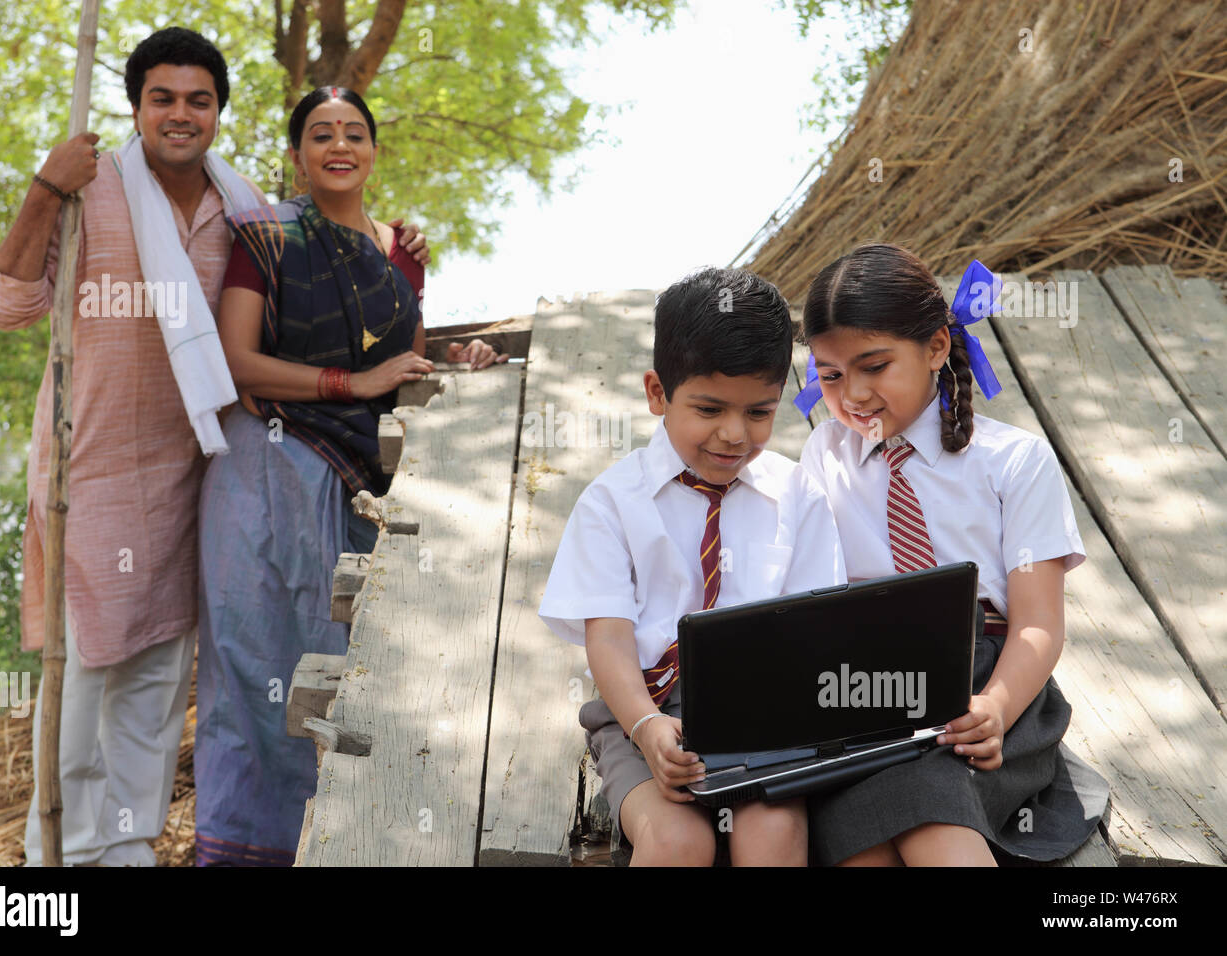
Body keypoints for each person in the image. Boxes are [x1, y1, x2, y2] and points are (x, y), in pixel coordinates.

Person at [0, 28, 429, 866]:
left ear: (218, 112)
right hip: (94, 464)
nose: (181, 115)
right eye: (163, 98)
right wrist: (43, 189)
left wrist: (394, 258)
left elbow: (308, 298)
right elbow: (7, 305)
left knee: (160, 671)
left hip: (197, 464)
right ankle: (64, 858)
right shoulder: (90, 187)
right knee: (85, 670)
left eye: (199, 100)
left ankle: (128, 847)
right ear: (136, 107)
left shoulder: (242, 208)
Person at [195, 86, 505, 866]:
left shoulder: (400, 252)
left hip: (364, 484)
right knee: (257, 664)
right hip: (267, 467)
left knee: (359, 664)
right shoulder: (266, 237)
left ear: (373, 151)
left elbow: (404, 361)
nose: (340, 145)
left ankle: (349, 843)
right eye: (321, 134)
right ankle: (248, 851)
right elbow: (235, 365)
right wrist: (348, 384)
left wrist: (460, 361)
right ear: (298, 154)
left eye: (354, 133)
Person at [793, 242, 1110, 866]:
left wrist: (993, 707)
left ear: (938, 347)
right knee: (863, 847)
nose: (851, 393)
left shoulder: (1014, 462)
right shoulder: (822, 456)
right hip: (864, 698)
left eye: (874, 366)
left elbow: (1038, 623)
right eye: (829, 375)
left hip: (985, 692)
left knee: (936, 820)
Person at [538, 268, 846, 866]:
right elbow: (609, 637)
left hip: (769, 716)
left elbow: (817, 627)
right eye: (709, 408)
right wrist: (647, 726)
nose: (734, 434)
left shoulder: (797, 495)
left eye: (759, 412)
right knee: (681, 840)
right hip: (645, 710)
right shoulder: (612, 502)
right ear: (658, 393)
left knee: (772, 831)